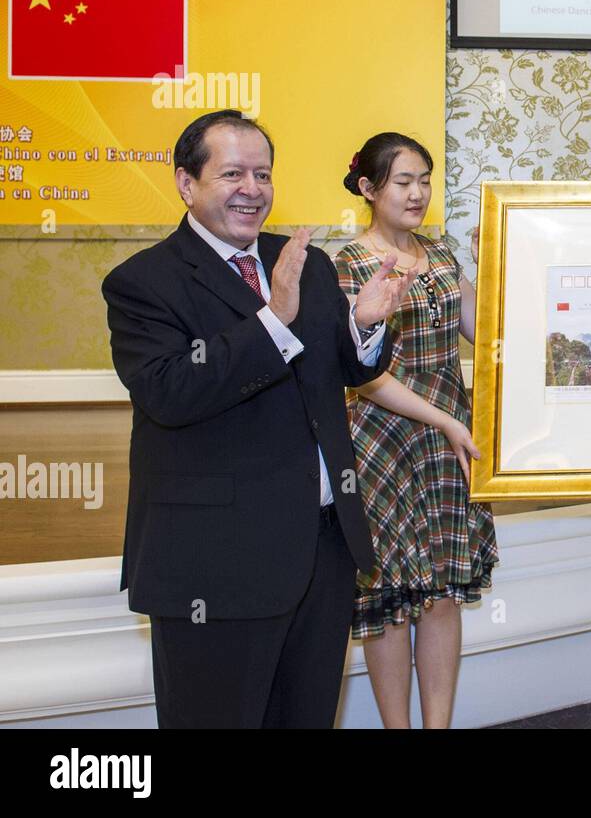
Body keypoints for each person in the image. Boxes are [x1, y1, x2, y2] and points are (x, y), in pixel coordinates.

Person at [102, 110, 417, 728]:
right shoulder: (142, 283)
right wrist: (272, 320)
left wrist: (365, 323)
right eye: (232, 174)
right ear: (186, 184)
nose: (252, 188)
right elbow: (171, 393)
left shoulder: (305, 262)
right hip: (215, 565)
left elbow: (339, 371)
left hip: (321, 550)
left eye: (263, 174)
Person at [334, 133, 498, 729]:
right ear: (368, 188)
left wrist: (498, 261)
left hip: (445, 438)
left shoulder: (444, 255)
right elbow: (364, 376)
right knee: (391, 601)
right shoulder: (348, 264)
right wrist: (450, 419)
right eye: (403, 182)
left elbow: (483, 332)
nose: (418, 193)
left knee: (443, 591)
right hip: (382, 437)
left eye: (425, 180)